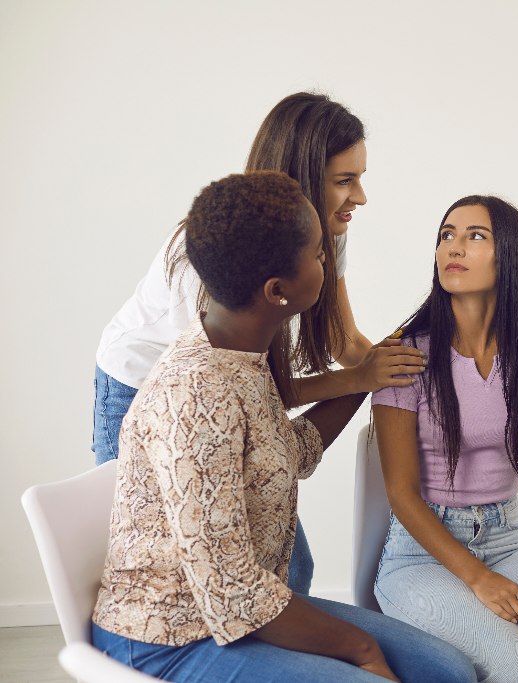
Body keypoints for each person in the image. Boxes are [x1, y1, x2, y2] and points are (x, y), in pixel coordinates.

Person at [91, 171, 476, 683]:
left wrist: (365, 377)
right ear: (277, 291)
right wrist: (359, 647)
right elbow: (232, 594)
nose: (327, 262)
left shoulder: (241, 356)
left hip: (235, 610)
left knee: (449, 671)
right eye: (319, 255)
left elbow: (292, 452)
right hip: (171, 636)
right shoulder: (195, 397)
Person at [92, 92, 425, 593]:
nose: (360, 197)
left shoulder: (324, 234)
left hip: (238, 391)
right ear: (307, 176)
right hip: (143, 392)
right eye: (344, 181)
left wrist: (409, 370)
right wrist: (361, 379)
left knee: (290, 568)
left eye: (360, 178)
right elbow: (243, 394)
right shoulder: (207, 260)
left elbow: (344, 340)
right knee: (171, 574)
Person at [371, 196, 518, 683]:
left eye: (475, 236)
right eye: (446, 235)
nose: (453, 247)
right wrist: (478, 578)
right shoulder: (404, 355)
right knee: (512, 664)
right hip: (421, 551)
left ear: (510, 257)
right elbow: (400, 491)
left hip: (509, 538)